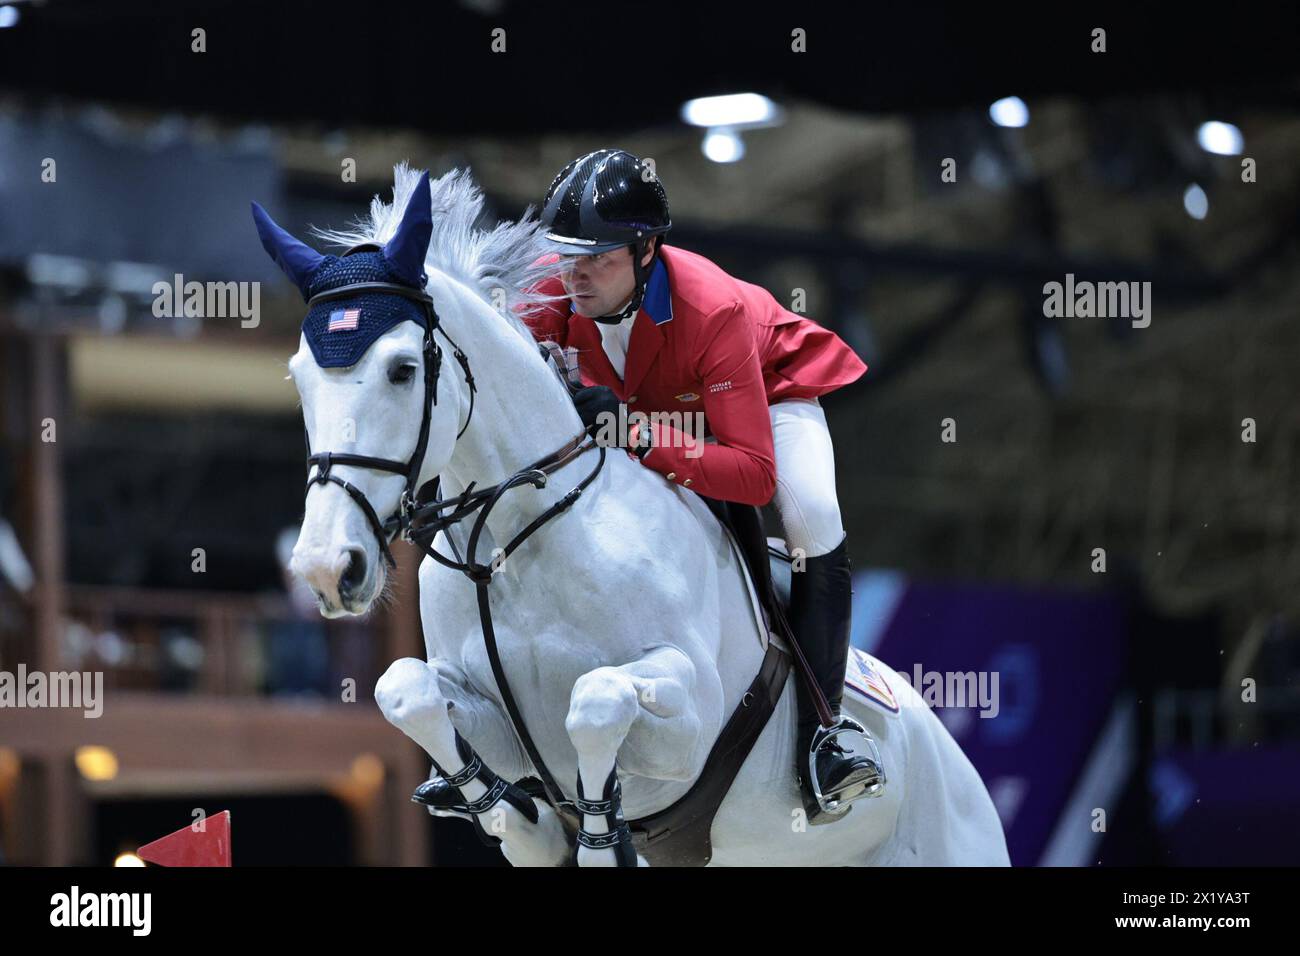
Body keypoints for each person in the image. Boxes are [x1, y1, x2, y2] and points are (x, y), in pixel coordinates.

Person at [522, 148, 882, 822]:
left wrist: (635, 431)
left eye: (598, 258)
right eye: (568, 255)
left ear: (647, 250)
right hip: (657, 407)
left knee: (812, 516)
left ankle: (825, 736)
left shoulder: (711, 309)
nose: (576, 275)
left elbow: (753, 474)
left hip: (765, 392)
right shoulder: (555, 286)